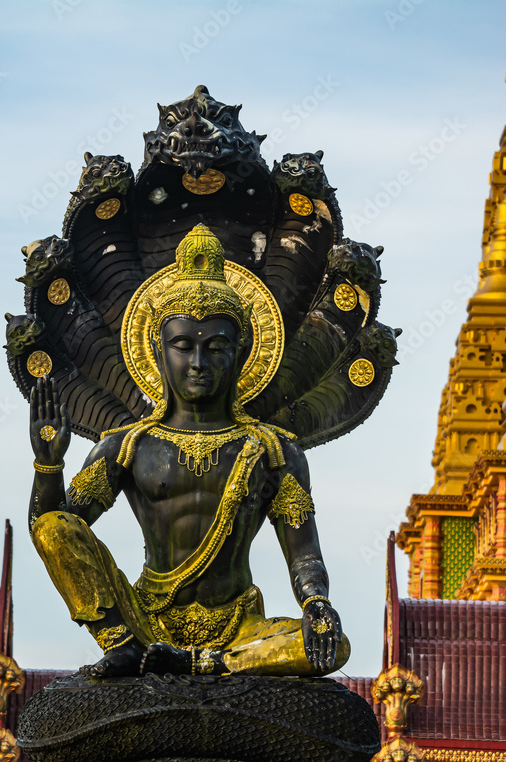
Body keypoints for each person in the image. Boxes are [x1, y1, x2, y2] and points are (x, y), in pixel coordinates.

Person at [28, 225, 349, 678]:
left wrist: (317, 604)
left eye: (216, 347)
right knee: (53, 527)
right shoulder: (127, 446)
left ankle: (207, 662)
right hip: (144, 618)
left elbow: (304, 555)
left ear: (240, 354)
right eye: (183, 346)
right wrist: (48, 463)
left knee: (331, 648)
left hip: (240, 624)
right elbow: (52, 529)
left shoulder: (274, 451)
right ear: (158, 353)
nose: (198, 363)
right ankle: (118, 642)